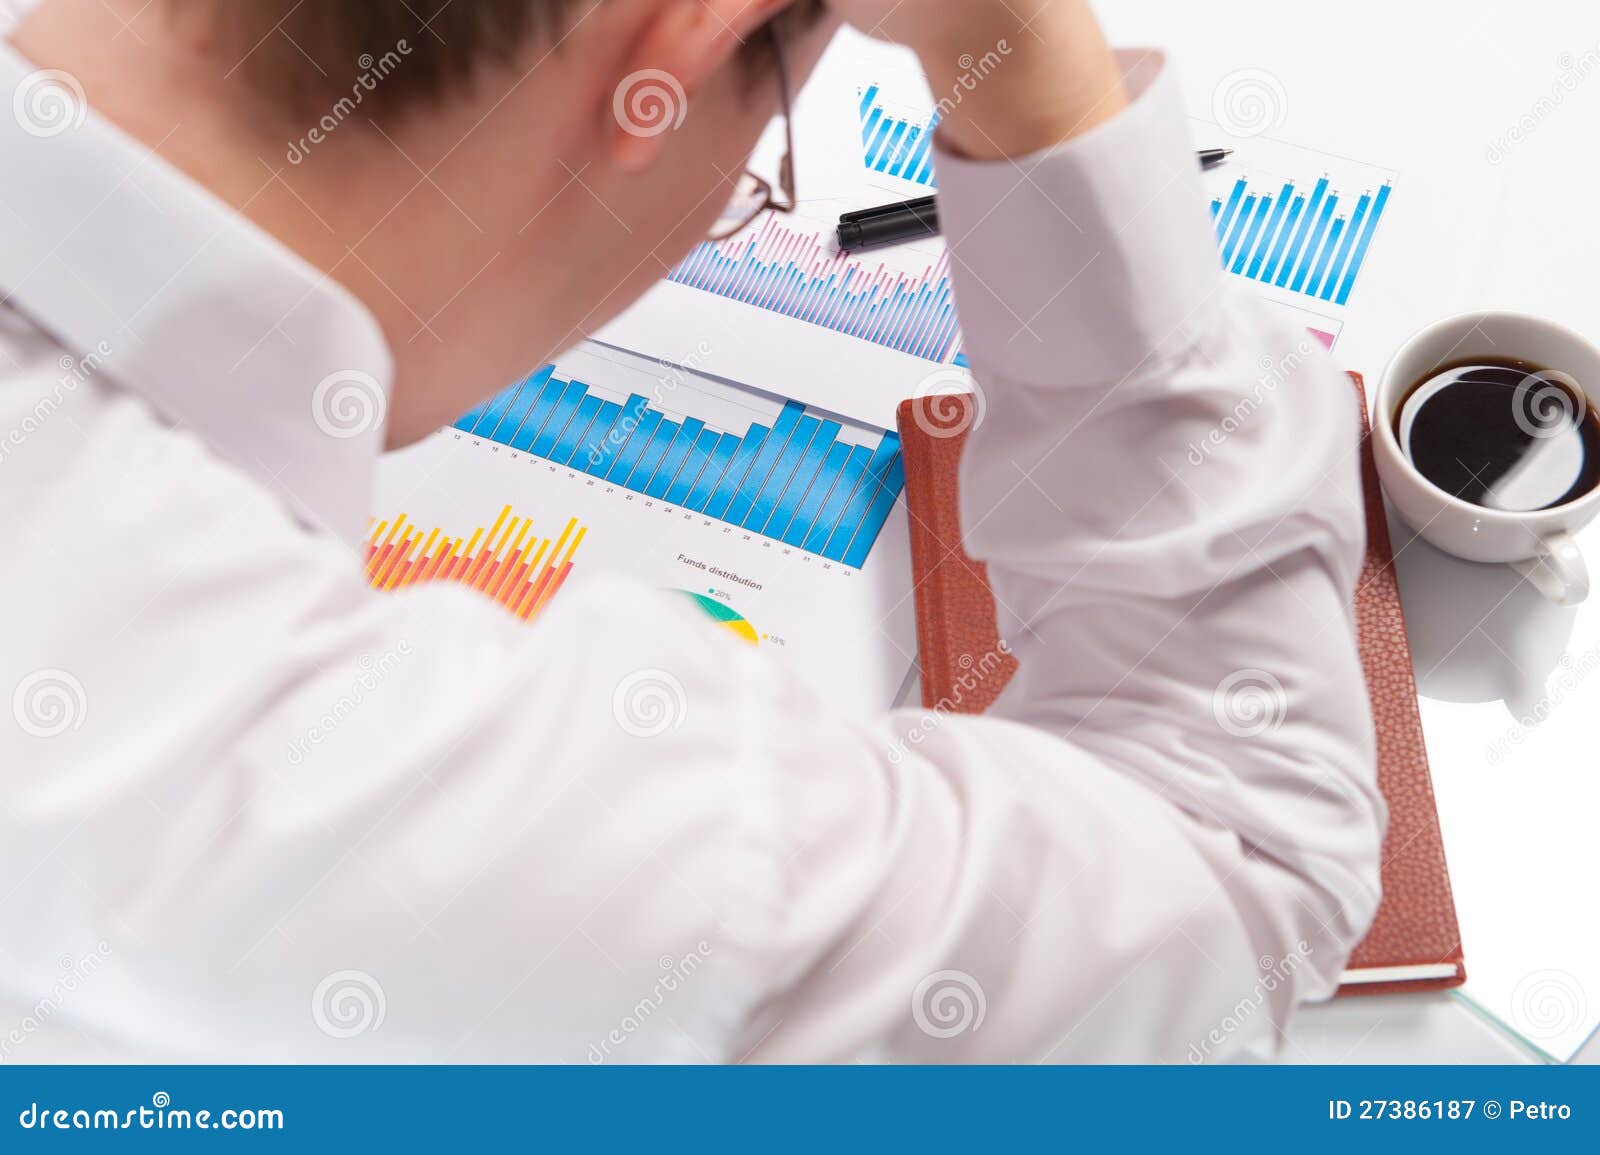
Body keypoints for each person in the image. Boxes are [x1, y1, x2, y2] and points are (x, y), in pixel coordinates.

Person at [0, 0, 1383, 1062]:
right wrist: (1024, 68)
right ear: (687, 39)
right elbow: (1238, 862)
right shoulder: (457, 813)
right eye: (763, 157)